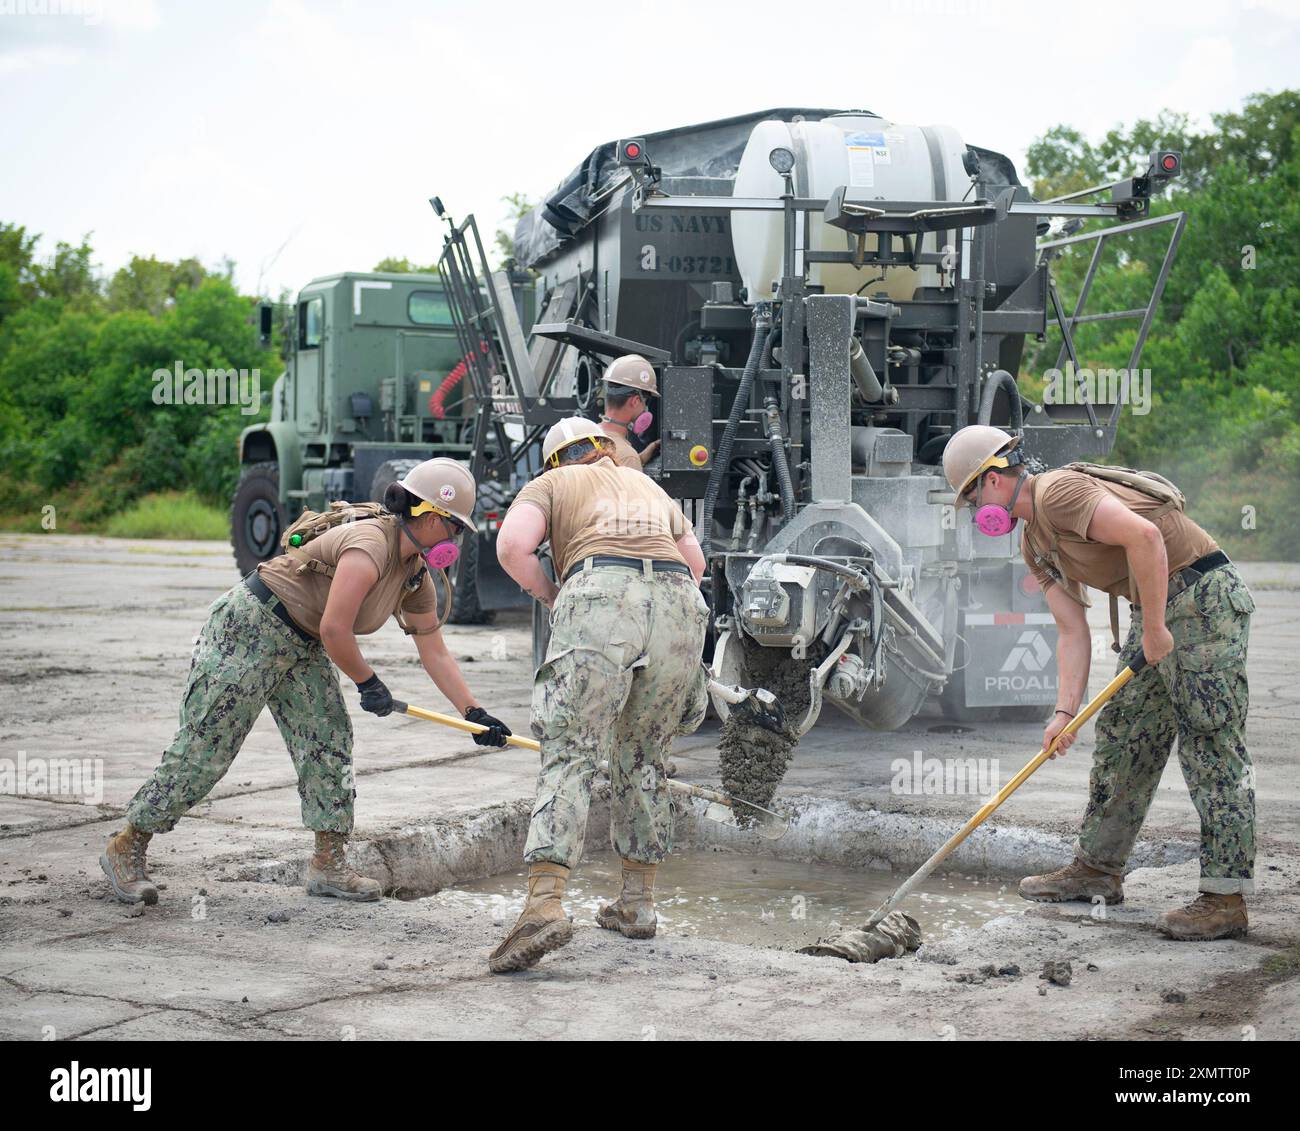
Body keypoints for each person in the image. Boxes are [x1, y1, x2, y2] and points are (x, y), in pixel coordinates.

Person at [101, 458, 511, 906]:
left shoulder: (415, 575)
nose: (455, 538)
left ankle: (328, 864)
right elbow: (337, 628)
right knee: (208, 746)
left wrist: (473, 713)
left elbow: (433, 648)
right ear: (431, 516)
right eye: (454, 528)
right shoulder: (370, 544)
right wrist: (368, 681)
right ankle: (127, 846)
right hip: (252, 626)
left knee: (328, 739)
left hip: (303, 641)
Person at [944, 425, 1255, 940]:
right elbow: (1071, 630)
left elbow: (1146, 537)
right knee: (1124, 736)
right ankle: (1097, 871)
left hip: (1203, 598)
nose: (976, 510)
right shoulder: (1033, 540)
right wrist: (1064, 714)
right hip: (1156, 604)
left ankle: (1224, 898)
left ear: (995, 478)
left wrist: (1154, 629)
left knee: (1210, 741)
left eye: (972, 495)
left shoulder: (1061, 491)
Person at [488, 418, 709, 972]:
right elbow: (697, 564)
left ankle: (544, 906)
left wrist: (553, 594)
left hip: (600, 597)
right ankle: (637, 902)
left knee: (570, 750)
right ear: (606, 450)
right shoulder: (649, 488)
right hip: (681, 607)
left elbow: (513, 546)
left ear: (556, 460)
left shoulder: (553, 484)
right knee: (644, 758)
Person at [599, 353, 660, 469]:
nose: (645, 408)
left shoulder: (586, 435)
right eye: (646, 401)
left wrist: (638, 459)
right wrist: (632, 460)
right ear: (636, 401)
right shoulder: (627, 457)